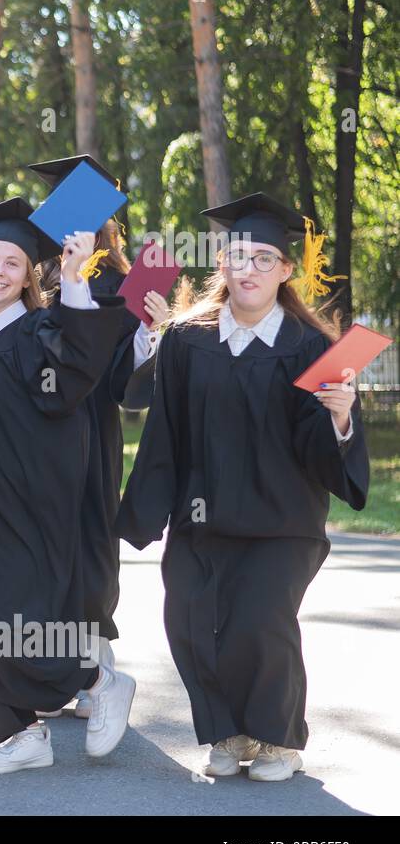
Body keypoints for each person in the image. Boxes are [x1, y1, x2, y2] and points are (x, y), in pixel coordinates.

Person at [117, 192, 369, 782]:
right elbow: (165, 431)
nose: (248, 269)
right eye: (238, 256)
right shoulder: (186, 341)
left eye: (263, 259)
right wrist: (142, 514)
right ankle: (228, 732)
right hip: (203, 519)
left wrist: (339, 416)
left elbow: (319, 451)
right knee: (188, 617)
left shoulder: (313, 349)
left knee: (259, 619)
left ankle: (278, 738)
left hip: (282, 522)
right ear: (221, 266)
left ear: (285, 270)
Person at [0, 198, 139, 774]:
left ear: (31, 276)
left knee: (15, 618)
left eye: (11, 263)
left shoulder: (38, 328)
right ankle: (17, 732)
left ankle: (97, 677)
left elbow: (76, 365)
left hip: (21, 502)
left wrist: (75, 281)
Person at [30, 155, 168, 718]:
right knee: (39, 547)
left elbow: (119, 380)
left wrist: (149, 335)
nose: (68, 224)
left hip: (87, 429)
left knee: (88, 545)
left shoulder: (115, 278)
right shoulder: (31, 271)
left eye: (80, 210)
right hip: (34, 429)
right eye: (59, 208)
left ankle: (96, 672)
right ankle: (48, 672)